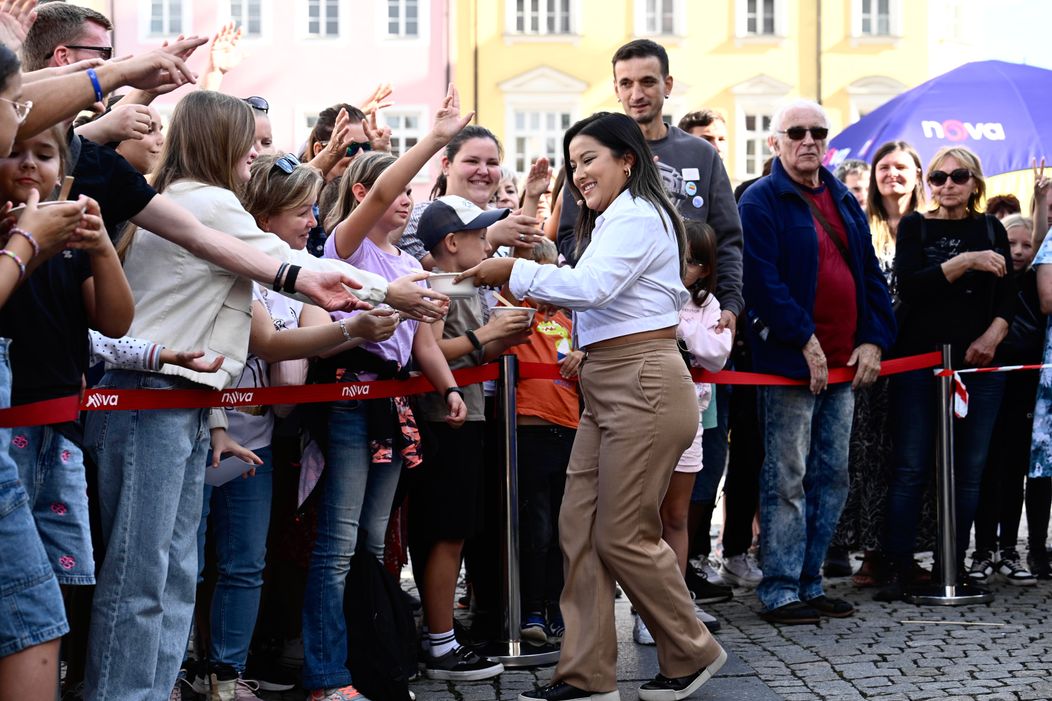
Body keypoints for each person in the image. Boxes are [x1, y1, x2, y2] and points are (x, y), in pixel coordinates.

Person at [460, 111, 727, 701]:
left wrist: (515, 268)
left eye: (589, 160)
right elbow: (605, 297)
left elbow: (592, 289)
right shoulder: (616, 218)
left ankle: (690, 650)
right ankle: (585, 674)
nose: (579, 174)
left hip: (643, 386)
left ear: (626, 160)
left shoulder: (635, 213)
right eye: (574, 163)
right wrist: (582, 340)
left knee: (621, 534)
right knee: (577, 529)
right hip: (612, 384)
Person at [739, 99, 895, 624]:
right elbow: (761, 279)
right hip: (791, 365)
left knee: (833, 476)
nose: (809, 140)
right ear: (775, 141)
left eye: (818, 132)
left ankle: (809, 581)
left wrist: (874, 337)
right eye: (797, 131)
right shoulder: (761, 200)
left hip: (844, 364)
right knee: (786, 475)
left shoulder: (843, 198)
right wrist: (802, 338)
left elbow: (869, 272)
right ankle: (780, 587)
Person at [0, 41, 97, 701]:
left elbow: (112, 321)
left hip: (54, 430)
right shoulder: (23, 234)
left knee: (40, 606)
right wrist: (27, 243)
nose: (20, 117)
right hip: (17, 430)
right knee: (33, 615)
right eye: (12, 105)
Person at [877, 146, 1014, 601]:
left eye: (958, 176)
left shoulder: (991, 226)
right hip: (921, 361)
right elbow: (911, 284)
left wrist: (993, 335)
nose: (948, 185)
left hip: (979, 364)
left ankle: (950, 563)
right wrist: (967, 261)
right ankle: (900, 566)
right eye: (938, 177)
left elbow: (1008, 298)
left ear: (975, 183)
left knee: (969, 470)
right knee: (912, 466)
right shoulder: (916, 225)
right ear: (928, 183)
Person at [409, 194, 532, 682]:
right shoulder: (441, 287)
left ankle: (440, 633)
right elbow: (432, 349)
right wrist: (489, 337)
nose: (488, 243)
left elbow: (465, 354)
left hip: (465, 415)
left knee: (455, 529)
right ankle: (439, 641)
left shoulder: (463, 285)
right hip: (446, 419)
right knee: (446, 530)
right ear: (452, 242)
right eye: (479, 236)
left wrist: (505, 336)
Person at [557, 40, 743, 336]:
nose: (636, 94)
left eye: (647, 82)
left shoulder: (701, 154)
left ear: (667, 85)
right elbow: (568, 235)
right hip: (618, 323)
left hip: (692, 323)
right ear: (616, 90)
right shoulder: (591, 156)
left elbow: (727, 239)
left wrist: (731, 302)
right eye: (626, 83)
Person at [826, 141, 929, 587]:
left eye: (902, 167)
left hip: (915, 355)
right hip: (867, 358)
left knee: (913, 458)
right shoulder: (860, 224)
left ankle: (904, 549)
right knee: (867, 458)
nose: (892, 175)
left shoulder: (927, 226)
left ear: (918, 174)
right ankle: (869, 553)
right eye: (884, 167)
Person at [634, 219, 731, 646]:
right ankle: (646, 608)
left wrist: (679, 329)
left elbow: (716, 355)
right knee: (643, 515)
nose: (681, 268)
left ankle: (676, 604)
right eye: (675, 257)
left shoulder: (706, 306)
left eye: (690, 262)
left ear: (704, 269)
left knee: (677, 514)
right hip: (645, 414)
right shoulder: (644, 291)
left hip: (690, 419)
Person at [969, 213, 1040, 586]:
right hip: (987, 379)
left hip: (1023, 384)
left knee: (1013, 470)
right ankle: (982, 551)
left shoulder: (1035, 279)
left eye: (1026, 245)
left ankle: (1010, 549)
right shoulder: (989, 280)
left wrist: (1041, 203)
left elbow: (1043, 238)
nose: (1018, 251)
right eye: (1011, 243)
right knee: (983, 466)